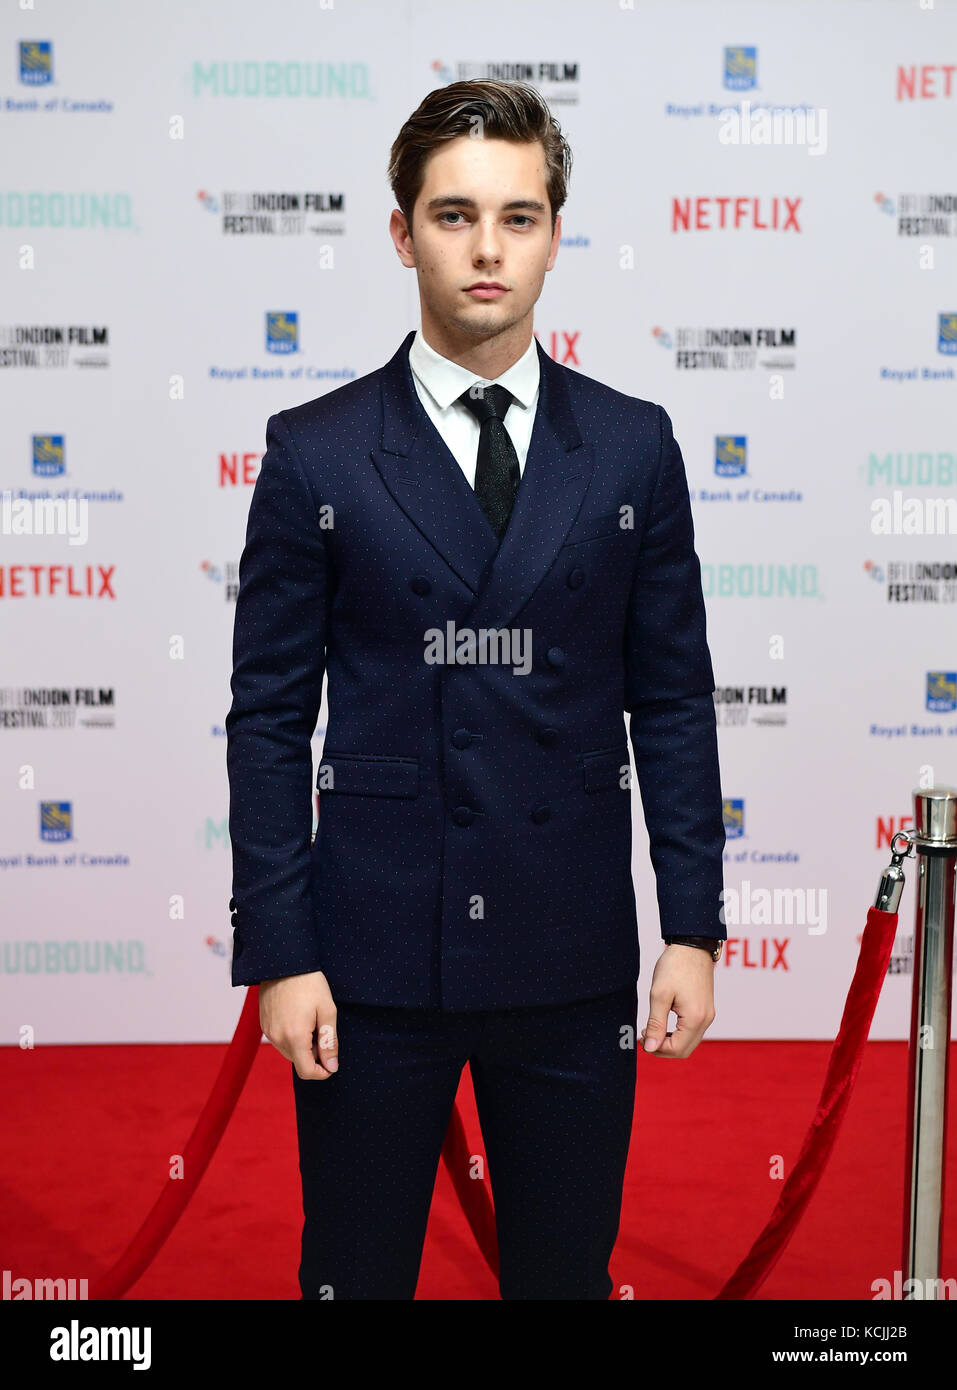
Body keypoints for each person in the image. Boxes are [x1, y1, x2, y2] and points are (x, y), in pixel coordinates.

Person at [225, 78, 726, 1301]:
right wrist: (280, 952)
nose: (488, 249)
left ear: (557, 231)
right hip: (372, 960)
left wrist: (695, 924)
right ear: (402, 233)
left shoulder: (631, 445)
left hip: (573, 954)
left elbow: (671, 697)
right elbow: (269, 718)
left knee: (562, 1276)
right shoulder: (316, 451)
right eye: (454, 215)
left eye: (519, 215)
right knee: (353, 1275)